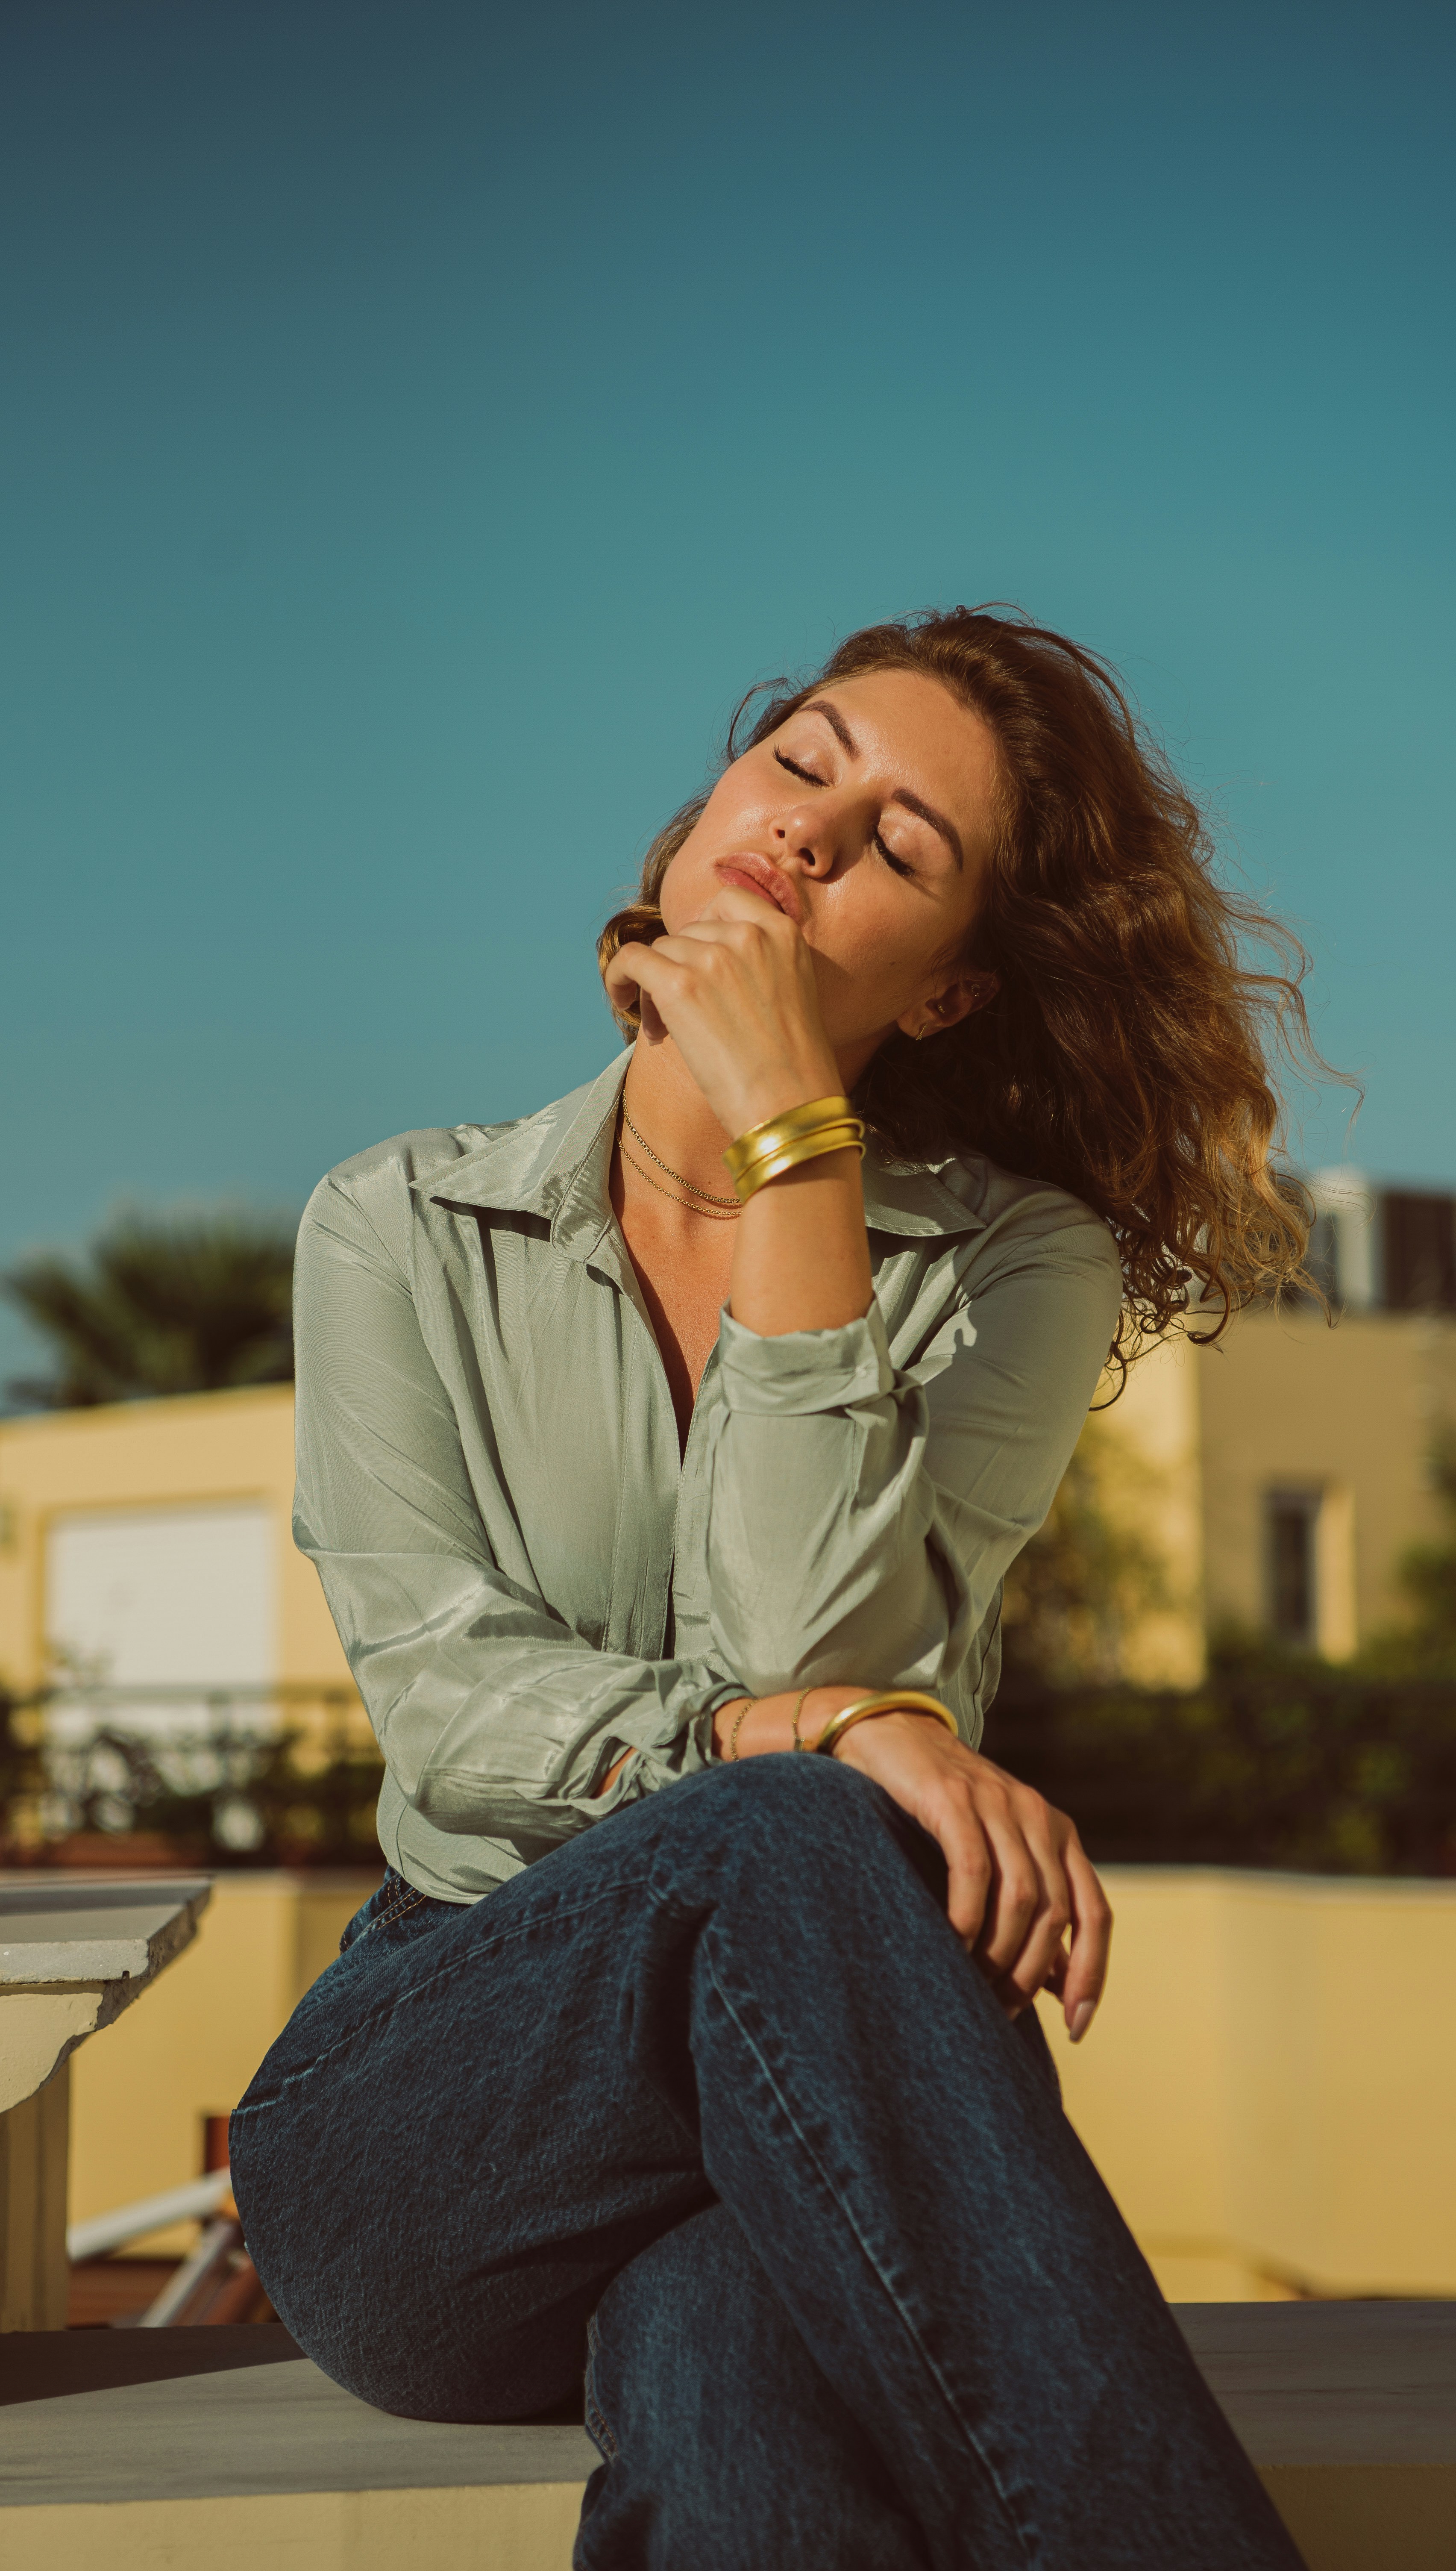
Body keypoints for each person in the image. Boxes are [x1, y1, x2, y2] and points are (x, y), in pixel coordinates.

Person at [231, 607, 1312, 2568]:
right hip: (440, 2099)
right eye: (801, 764)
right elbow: (449, 1708)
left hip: (806, 2095)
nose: (813, 834)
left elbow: (818, 1652)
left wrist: (795, 1153)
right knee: (800, 1826)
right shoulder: (394, 1221)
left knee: (738, 2405)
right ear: (705, 812)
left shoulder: (1011, 1269)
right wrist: (778, 1740)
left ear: (949, 994)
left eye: (901, 847)